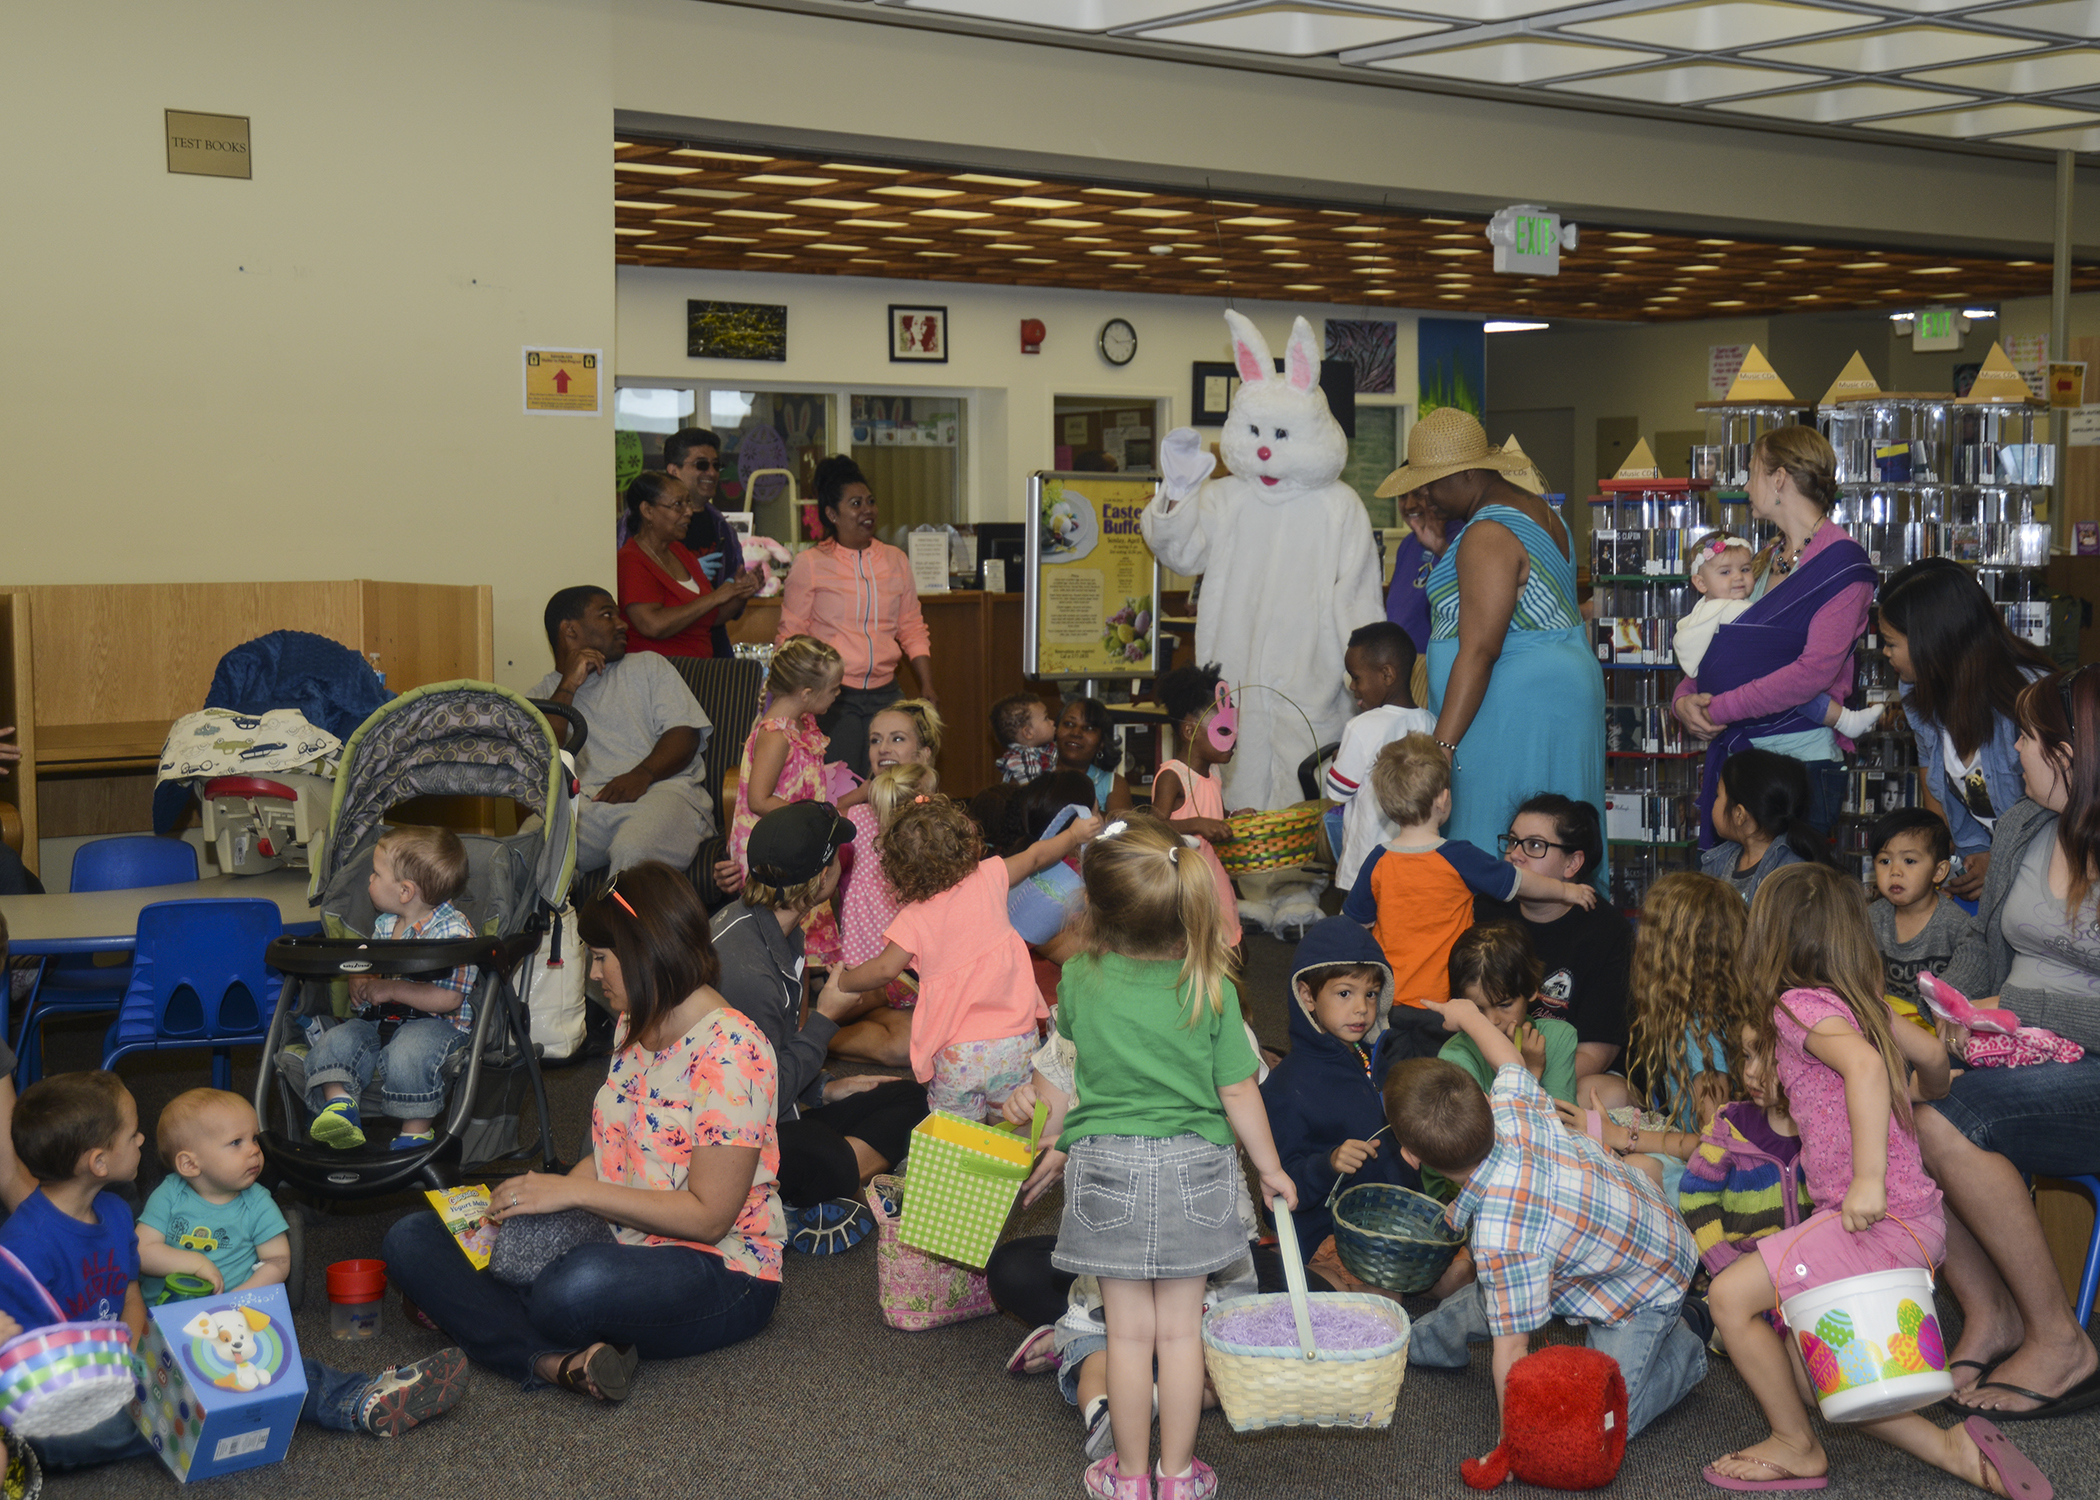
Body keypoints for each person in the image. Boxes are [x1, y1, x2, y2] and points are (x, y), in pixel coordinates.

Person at [1701, 863, 2050, 1496]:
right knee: (1813, 1374)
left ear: (1769, 940)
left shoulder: (1794, 1005)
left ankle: (1795, 1447)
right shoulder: (1860, 1004)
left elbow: (1862, 1067)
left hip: (1874, 1219)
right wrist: (1922, 1096)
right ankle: (1952, 1451)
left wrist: (1868, 1180)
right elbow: (1935, 1058)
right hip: (1913, 1226)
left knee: (1728, 1299)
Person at [382, 865, 783, 1402]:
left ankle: (490, 1317)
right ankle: (558, 1361)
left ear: (644, 949)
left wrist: (570, 1193)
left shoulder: (734, 1049)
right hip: (618, 1235)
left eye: (600, 957)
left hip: (721, 1269)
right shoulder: (634, 1020)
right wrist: (542, 1205)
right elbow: (615, 1149)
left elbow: (709, 1218)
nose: (594, 975)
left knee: (573, 1288)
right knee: (411, 1238)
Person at [1022, 817, 1298, 1500]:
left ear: (1095, 905)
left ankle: (1128, 1475)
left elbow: (1069, 1076)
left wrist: (1049, 1141)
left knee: (1127, 1335)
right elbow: (1238, 1089)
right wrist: (1269, 1169)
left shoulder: (1079, 982)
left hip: (1105, 1166)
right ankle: (1177, 1477)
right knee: (1180, 1336)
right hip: (1195, 1168)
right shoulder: (1213, 988)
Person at [5, 1073, 465, 1470]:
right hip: (61, 1395)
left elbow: (128, 1293)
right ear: (99, 1162)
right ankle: (208, 1416)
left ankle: (360, 1398)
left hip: (128, 1365)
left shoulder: (116, 1212)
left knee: (252, 1362)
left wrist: (144, 1361)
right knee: (87, 1432)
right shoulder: (24, 1247)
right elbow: (23, 1361)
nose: (143, 1140)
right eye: (132, 1135)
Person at [1389, 994, 1706, 1444]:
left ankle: (1686, 1348)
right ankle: (1415, 1343)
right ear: (1483, 1096)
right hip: (1608, 1232)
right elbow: (1508, 1057)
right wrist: (1468, 1016)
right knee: (1495, 1292)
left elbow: (1513, 1352)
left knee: (1601, 1427)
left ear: (1411, 1157)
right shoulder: (1513, 1101)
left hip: (1646, 1282)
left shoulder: (1503, 1240)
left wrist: (1512, 1446)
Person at [1916, 666, 2100, 1419]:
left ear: (2072, 752)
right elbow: (1986, 954)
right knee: (1896, 1095)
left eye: (2027, 735)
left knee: (1948, 1116)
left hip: (2085, 1069)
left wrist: (2012, 1007)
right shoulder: (2026, 823)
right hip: (2010, 1051)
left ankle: (2060, 1342)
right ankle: (1992, 1313)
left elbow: (2012, 989)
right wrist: (1944, 1006)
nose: (2014, 751)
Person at [138, 1088, 469, 1430]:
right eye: (236, 1143)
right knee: (152, 1383)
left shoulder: (256, 1201)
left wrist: (239, 1300)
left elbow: (278, 1261)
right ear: (190, 1163)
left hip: (233, 1334)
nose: (254, 1150)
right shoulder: (170, 1195)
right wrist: (195, 1264)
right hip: (167, 1331)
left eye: (254, 1138)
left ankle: (361, 1400)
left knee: (290, 1376)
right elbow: (142, 1251)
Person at [1373, 406, 1604, 861]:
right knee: (1556, 848)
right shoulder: (1538, 509)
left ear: (1465, 474)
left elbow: (1479, 649)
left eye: (1431, 483)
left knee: (1494, 839)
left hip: (1508, 708)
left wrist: (1440, 749)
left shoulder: (1487, 532)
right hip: (1548, 697)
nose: (1425, 497)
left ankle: (1498, 931)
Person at [710, 804, 926, 1256]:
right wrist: (826, 1019)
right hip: (726, 1143)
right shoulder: (747, 973)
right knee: (818, 1149)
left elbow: (773, 1058)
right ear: (823, 876)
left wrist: (825, 1089)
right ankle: (784, 1198)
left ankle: (810, 1188)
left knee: (909, 1096)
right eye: (837, 860)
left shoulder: (773, 927)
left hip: (769, 1107)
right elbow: (758, 1101)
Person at [835, 795, 1097, 1120]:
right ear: (968, 843)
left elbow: (884, 969)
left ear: (899, 872)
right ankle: (1010, 1167)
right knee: (1014, 1123)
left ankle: (960, 1168)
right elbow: (1035, 857)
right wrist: (1074, 836)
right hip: (1014, 1039)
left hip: (956, 1050)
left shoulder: (913, 918)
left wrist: (843, 981)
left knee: (957, 1136)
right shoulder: (989, 877)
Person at [1672, 428, 1876, 843]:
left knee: (1785, 900)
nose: (1747, 486)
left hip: (1798, 770)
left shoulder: (1842, 566)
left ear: (1779, 478)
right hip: (1743, 759)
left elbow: (1812, 674)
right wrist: (1685, 700)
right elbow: (1724, 646)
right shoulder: (1762, 560)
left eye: (1752, 473)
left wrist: (1719, 709)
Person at [1344, 736, 1594, 1023]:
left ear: (1387, 805)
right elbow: (1521, 881)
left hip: (1389, 1000)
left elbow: (1353, 926)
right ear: (1443, 798)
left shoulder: (1377, 860)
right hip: (1448, 1003)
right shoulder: (1459, 856)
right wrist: (1565, 891)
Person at [1880, 558, 2056, 901]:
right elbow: (1932, 775)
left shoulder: (2029, 699)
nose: (1884, 652)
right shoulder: (1916, 688)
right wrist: (1956, 857)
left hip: (2046, 876)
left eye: (1891, 642)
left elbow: (2061, 813)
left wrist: (2001, 859)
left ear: (1932, 642)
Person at [304, 825, 479, 1151]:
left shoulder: (453, 930)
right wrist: (361, 978)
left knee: (409, 1053)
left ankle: (415, 1130)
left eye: (376, 874)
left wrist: (393, 989)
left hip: (435, 1025)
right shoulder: (385, 923)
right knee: (336, 1039)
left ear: (405, 891)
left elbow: (450, 998)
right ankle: (339, 1107)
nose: (369, 880)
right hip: (380, 1021)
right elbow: (373, 972)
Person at [1260, 917, 1415, 1283]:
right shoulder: (1287, 1085)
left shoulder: (1380, 1062)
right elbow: (1277, 1190)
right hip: (1328, 1231)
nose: (1361, 1008)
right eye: (1345, 993)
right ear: (1307, 996)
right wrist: (1328, 1164)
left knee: (1465, 1266)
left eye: (1371, 993)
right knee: (1378, 1295)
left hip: (1390, 1220)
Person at [535, 586, 714, 877]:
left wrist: (642, 775)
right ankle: (559, 924)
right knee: (529, 849)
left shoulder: (647, 666)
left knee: (633, 849)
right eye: (607, 615)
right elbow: (543, 761)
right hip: (584, 808)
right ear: (570, 631)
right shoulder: (541, 695)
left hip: (661, 792)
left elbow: (685, 735)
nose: (622, 624)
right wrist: (568, 686)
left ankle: (617, 924)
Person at [778, 454, 934, 781]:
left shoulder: (895, 560)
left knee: (896, 785)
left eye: (871, 502)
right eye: (855, 503)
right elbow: (790, 637)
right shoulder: (810, 563)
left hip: (887, 692)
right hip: (833, 696)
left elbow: (911, 627)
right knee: (839, 786)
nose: (867, 510)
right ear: (832, 514)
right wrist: (789, 700)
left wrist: (927, 685)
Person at [1473, 794, 1632, 1100]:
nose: (1515, 855)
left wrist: (1522, 1083)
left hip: (1563, 1074)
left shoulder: (1609, 933)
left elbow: (1595, 1054)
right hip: (1489, 1064)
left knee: (1596, 1093)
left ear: (1573, 863)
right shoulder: (1487, 911)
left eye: (1534, 845)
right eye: (1512, 842)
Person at [1675, 531, 1882, 739]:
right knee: (1798, 691)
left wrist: (1682, 699)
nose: (1738, 577)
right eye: (1725, 572)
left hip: (1750, 722)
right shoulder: (1731, 610)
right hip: (1762, 715)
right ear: (1701, 583)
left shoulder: (1705, 610)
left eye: (1744, 569)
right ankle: (1845, 720)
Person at [725, 634, 846, 964]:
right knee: (782, 942)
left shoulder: (801, 724)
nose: (838, 695)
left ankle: (800, 983)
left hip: (795, 841)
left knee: (800, 941)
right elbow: (759, 800)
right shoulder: (776, 736)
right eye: (834, 689)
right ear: (807, 693)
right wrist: (815, 819)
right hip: (772, 851)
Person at [829, 762, 939, 1067]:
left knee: (912, 1047)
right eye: (876, 741)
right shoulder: (862, 821)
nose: (885, 750)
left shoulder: (944, 843)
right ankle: (805, 1039)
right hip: (871, 971)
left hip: (912, 984)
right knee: (862, 1000)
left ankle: (811, 1040)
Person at [1325, 621, 1434, 895]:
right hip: (1415, 862)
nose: (1352, 687)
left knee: (1359, 931)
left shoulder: (1361, 727)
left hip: (1366, 863)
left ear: (1386, 674)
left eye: (1356, 677)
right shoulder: (1432, 723)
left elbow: (1338, 792)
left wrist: (1339, 760)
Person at [1152, 662, 1245, 950]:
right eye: (1224, 730)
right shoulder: (1173, 776)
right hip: (1187, 884)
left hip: (1214, 877)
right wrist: (1196, 824)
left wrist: (1232, 817)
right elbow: (1152, 829)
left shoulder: (1212, 775)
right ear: (1190, 732)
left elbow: (1210, 813)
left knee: (1233, 949)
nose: (1234, 740)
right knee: (1196, 950)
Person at [616, 471, 756, 661]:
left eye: (688, 503)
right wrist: (716, 596)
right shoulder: (630, 559)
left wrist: (739, 593)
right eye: (678, 505)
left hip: (699, 669)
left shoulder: (680, 552)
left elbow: (711, 617)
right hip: (657, 676)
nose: (688, 511)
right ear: (647, 511)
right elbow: (652, 625)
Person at [1437, 922, 1577, 1106]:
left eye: (1504, 1005)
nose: (1491, 1021)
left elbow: (1562, 1123)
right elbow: (1482, 1132)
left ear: (1532, 990)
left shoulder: (1558, 1037)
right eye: (1477, 1009)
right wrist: (1529, 1073)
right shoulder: (1455, 1053)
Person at [1868, 806, 1986, 1015]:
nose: (1895, 871)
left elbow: (1967, 991)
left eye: (1909, 861)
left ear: (1939, 871)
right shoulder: (1870, 918)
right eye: (1885, 861)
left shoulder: (1957, 924)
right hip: (1887, 1022)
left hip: (1938, 1024)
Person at [666, 426, 752, 661]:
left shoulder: (722, 528)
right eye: (701, 465)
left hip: (712, 651)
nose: (712, 472)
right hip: (662, 652)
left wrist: (742, 590)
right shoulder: (644, 524)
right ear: (674, 471)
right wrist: (684, 576)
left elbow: (723, 611)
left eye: (716, 465)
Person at [1701, 747, 1824, 902]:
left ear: (1739, 814)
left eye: (1718, 796)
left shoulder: (1791, 874)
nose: (1714, 803)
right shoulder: (1720, 861)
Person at [1055, 696, 1134, 814]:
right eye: (1069, 724)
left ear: (1102, 742)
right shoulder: (1033, 772)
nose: (1076, 733)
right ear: (1055, 730)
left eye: (1088, 728)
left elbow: (1121, 829)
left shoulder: (1113, 785)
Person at [993, 692, 1059, 784]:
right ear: (1028, 733)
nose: (1052, 722)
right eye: (1046, 718)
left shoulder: (1045, 748)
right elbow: (1033, 792)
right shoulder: (1023, 759)